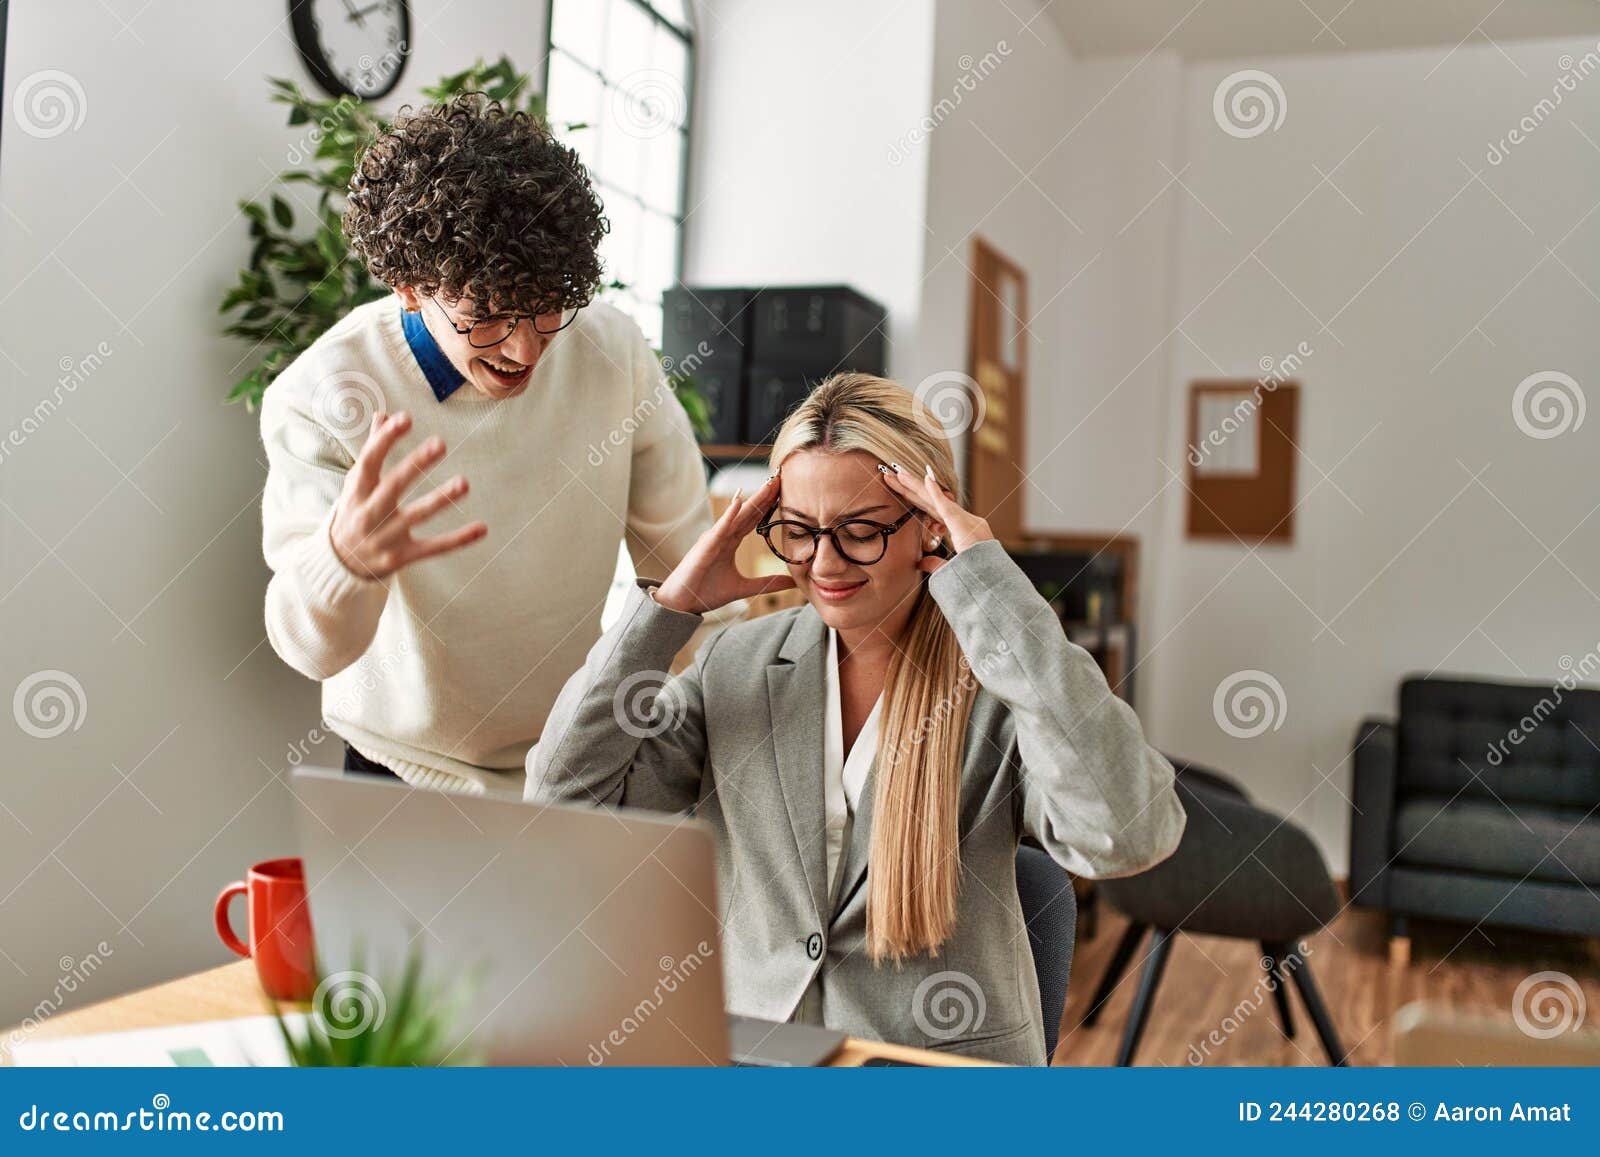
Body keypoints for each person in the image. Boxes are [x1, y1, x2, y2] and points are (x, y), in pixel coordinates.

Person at [526, 372, 1186, 1064]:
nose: (826, 561)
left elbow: (1127, 832)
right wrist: (666, 613)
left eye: (861, 531)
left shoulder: (1000, 673)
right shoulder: (736, 664)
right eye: (799, 531)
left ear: (931, 519)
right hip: (757, 1063)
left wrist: (993, 590)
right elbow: (564, 800)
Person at [259, 94, 713, 794]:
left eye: (544, 309)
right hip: (400, 770)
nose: (525, 347)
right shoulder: (325, 394)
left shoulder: (612, 352)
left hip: (572, 755)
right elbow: (311, 649)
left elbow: (686, 562)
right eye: (488, 316)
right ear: (411, 289)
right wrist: (343, 560)